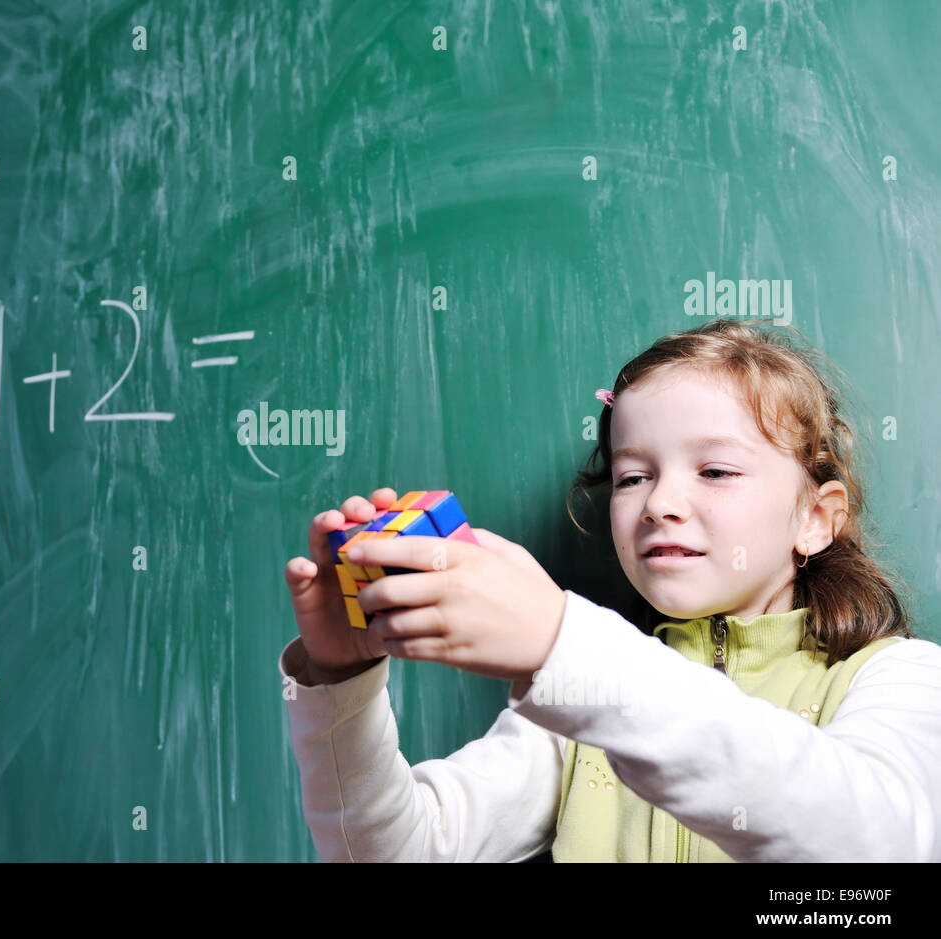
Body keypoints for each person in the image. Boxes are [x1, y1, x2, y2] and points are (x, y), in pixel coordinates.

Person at [278, 317, 941, 862]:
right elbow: (400, 853)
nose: (661, 502)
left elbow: (877, 850)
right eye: (632, 476)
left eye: (714, 469)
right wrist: (343, 682)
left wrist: (562, 644)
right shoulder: (567, 718)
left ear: (815, 518)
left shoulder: (900, 677)